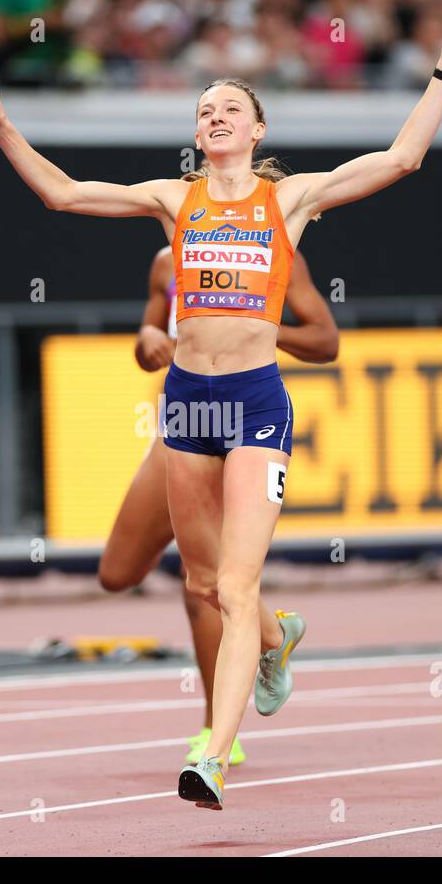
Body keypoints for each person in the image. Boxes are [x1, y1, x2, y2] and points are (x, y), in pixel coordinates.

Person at [0, 2, 442, 809]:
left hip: (253, 404)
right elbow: (64, 195)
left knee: (236, 586)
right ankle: (279, 637)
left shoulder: (291, 201)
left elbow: (403, 157)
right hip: (185, 408)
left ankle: (213, 754)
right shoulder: (175, 200)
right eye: (205, 109)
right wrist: (2, 127)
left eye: (230, 108)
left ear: (257, 129)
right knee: (204, 581)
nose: (215, 116)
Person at [99, 245, 338, 768]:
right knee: (117, 573)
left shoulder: (274, 252)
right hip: (183, 425)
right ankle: (275, 633)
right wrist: (146, 339)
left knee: (205, 583)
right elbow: (149, 339)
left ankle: (216, 732)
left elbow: (326, 341)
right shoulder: (166, 262)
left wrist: (262, 331)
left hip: (244, 424)